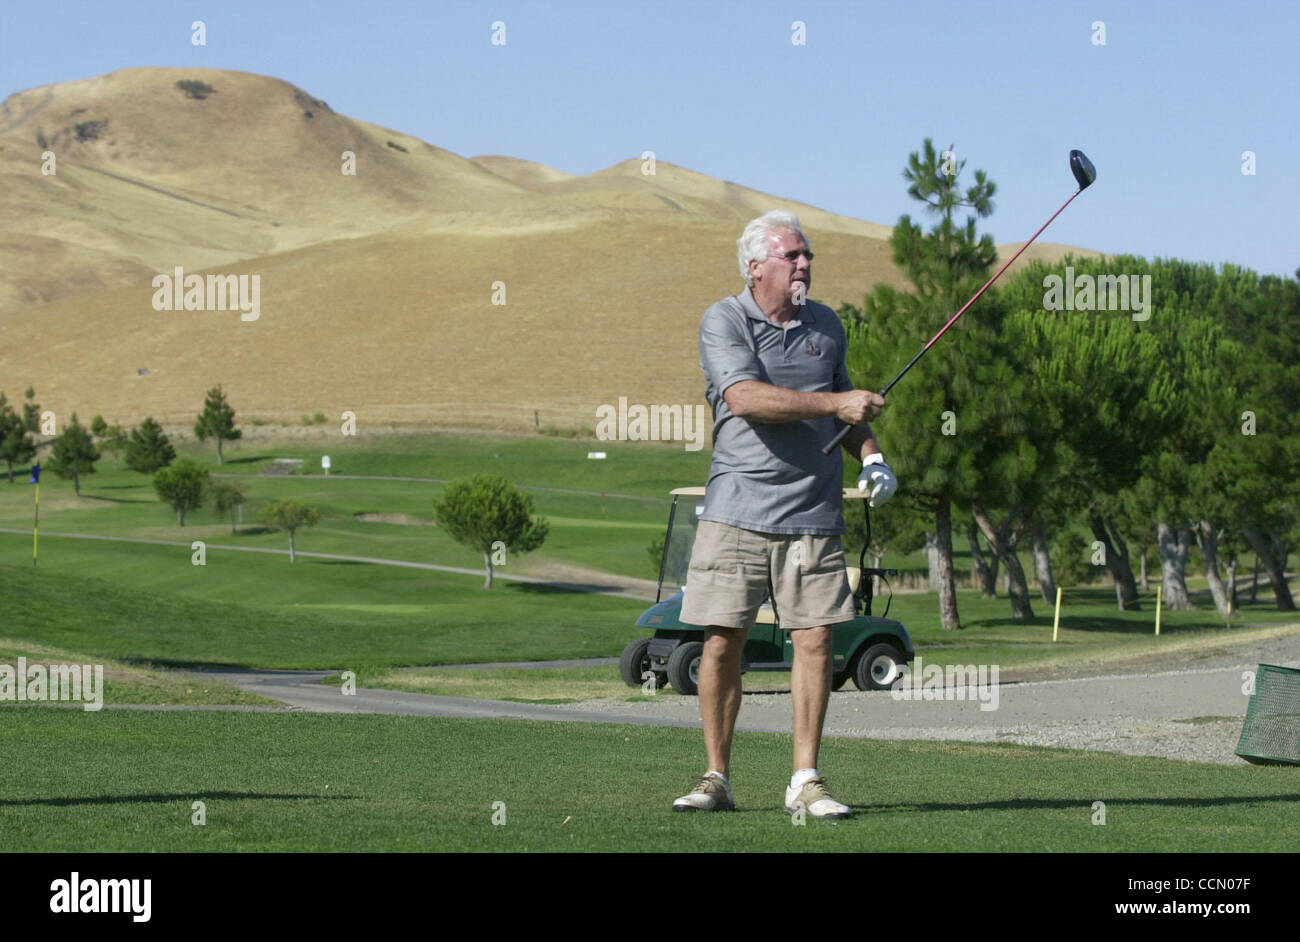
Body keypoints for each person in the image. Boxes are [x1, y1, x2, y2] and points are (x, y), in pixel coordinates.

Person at [672, 210, 897, 818]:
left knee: (817, 641)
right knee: (722, 643)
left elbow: (846, 415)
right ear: (756, 267)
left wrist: (872, 456)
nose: (804, 265)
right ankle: (716, 776)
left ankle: (806, 780)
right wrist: (837, 402)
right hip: (736, 508)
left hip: (812, 514)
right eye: (792, 256)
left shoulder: (826, 325)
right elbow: (744, 398)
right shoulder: (724, 320)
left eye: (808, 256)